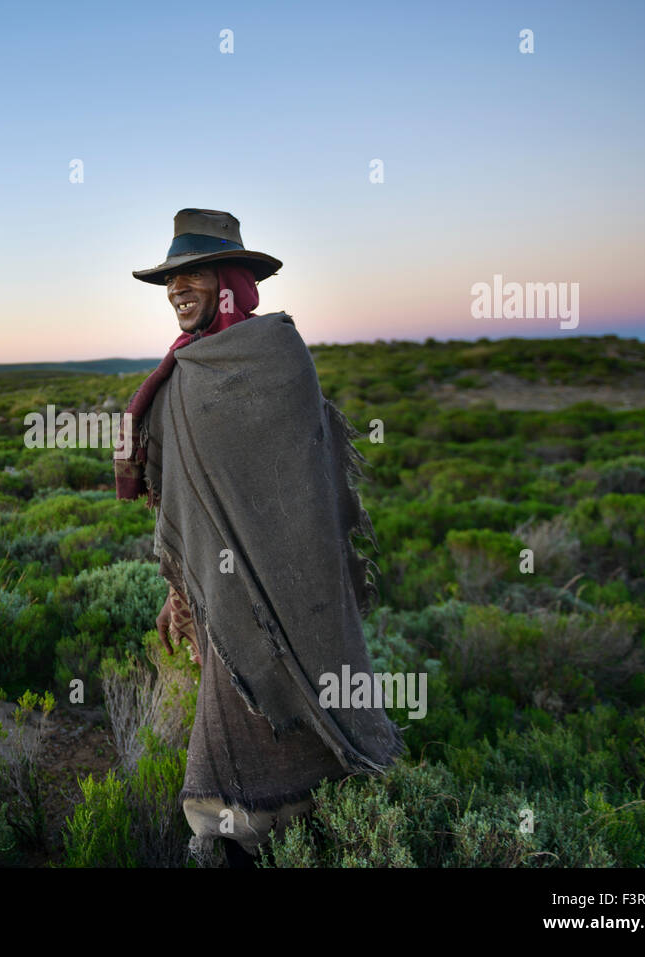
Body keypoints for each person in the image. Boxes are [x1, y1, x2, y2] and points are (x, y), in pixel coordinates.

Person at [114, 209, 405, 868]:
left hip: (294, 588)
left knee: (307, 718)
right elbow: (186, 495)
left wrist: (275, 567)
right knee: (227, 744)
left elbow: (303, 492)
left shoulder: (278, 355)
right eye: (170, 279)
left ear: (232, 280)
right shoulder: (179, 374)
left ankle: (312, 825)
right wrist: (178, 591)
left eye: (191, 274)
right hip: (217, 596)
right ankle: (239, 838)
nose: (177, 290)